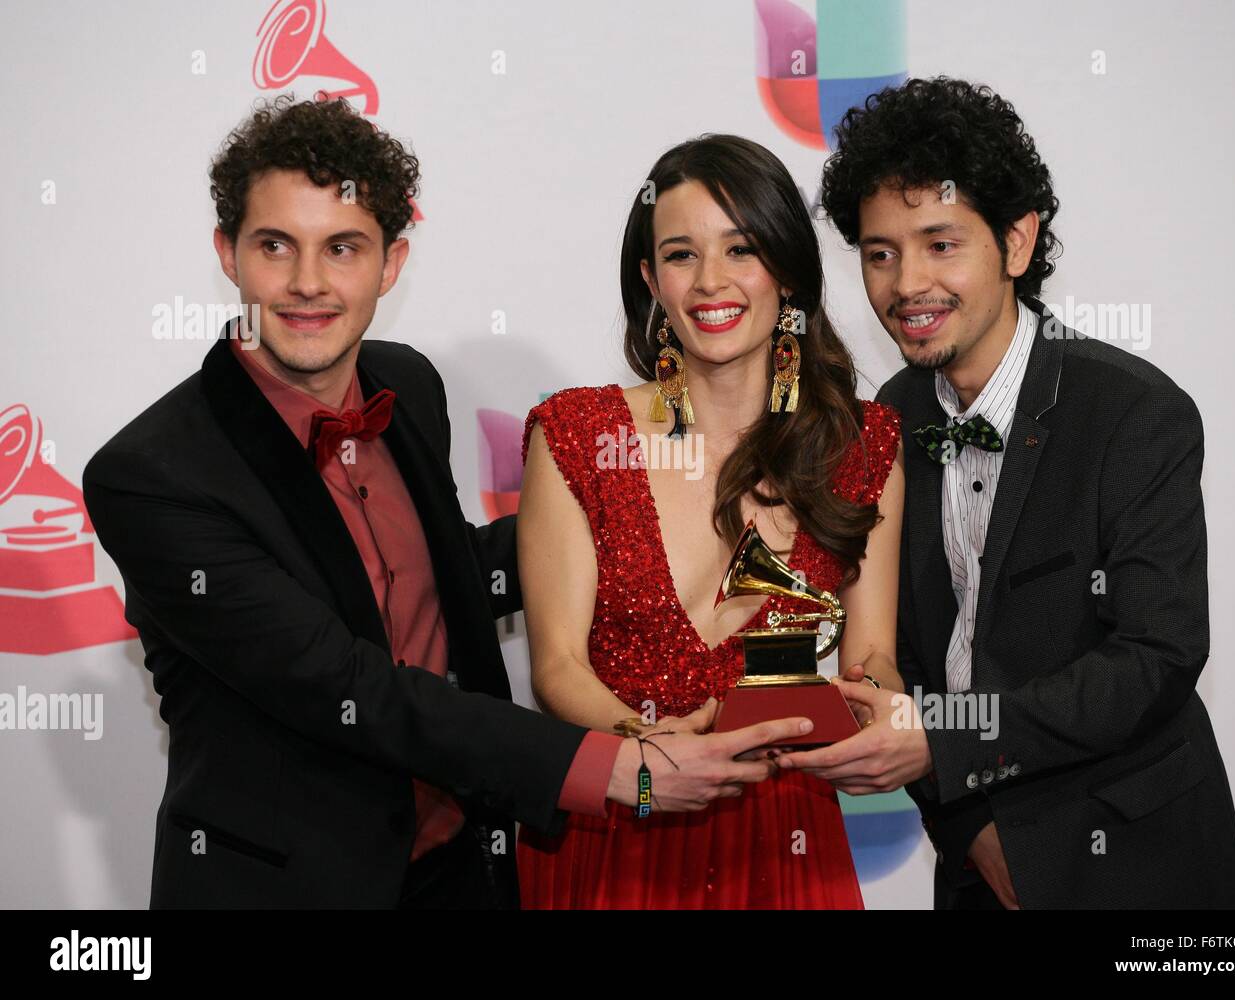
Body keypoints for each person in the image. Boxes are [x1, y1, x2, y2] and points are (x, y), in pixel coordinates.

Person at [81, 97, 810, 909]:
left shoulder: (409, 385)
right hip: (288, 887)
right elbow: (343, 682)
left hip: (464, 873)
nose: (308, 283)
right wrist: (616, 770)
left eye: (344, 248)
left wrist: (638, 501)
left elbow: (451, 572)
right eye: (275, 246)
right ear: (227, 253)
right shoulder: (151, 474)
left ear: (391, 264)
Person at [781, 76, 1235, 909]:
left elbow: (1155, 658)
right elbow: (907, 658)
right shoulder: (885, 418)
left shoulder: (1135, 412)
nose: (906, 285)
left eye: (941, 243)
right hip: (973, 861)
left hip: (1139, 866)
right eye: (880, 252)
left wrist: (948, 744)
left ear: (1018, 241)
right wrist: (966, 825)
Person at [514, 134, 904, 908]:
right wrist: (646, 751)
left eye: (741, 249)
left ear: (787, 271)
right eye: (682, 255)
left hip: (788, 833)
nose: (711, 282)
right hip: (631, 813)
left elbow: (871, 657)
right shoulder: (579, 434)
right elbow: (556, 666)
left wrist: (887, 710)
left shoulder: (865, 445)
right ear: (650, 278)